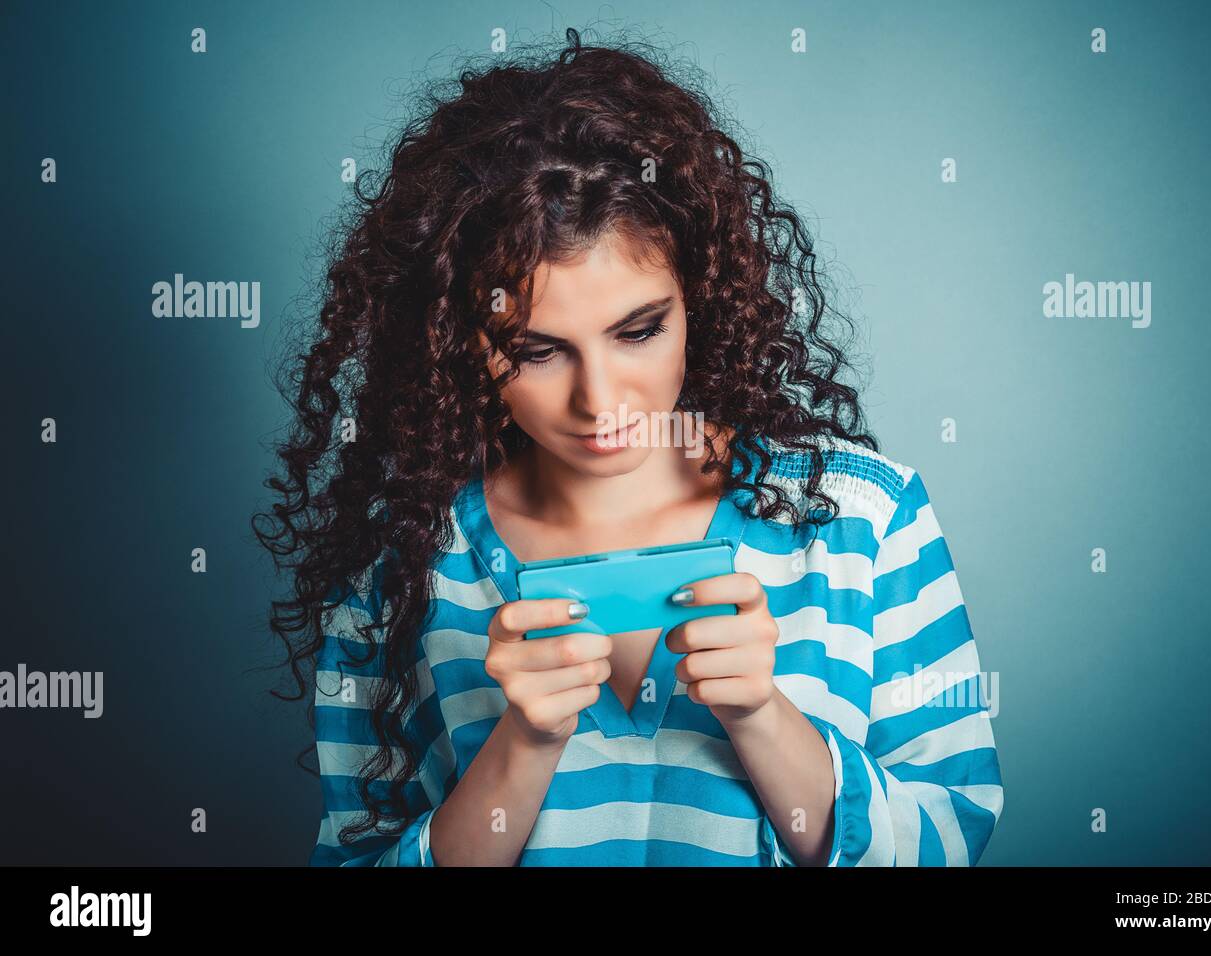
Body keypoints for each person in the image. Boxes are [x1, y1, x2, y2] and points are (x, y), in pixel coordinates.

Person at [253, 28, 1003, 866]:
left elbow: (948, 840)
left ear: (703, 298)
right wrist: (522, 748)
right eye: (537, 350)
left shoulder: (863, 522)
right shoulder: (404, 566)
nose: (601, 402)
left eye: (639, 331)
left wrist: (763, 717)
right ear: (458, 342)